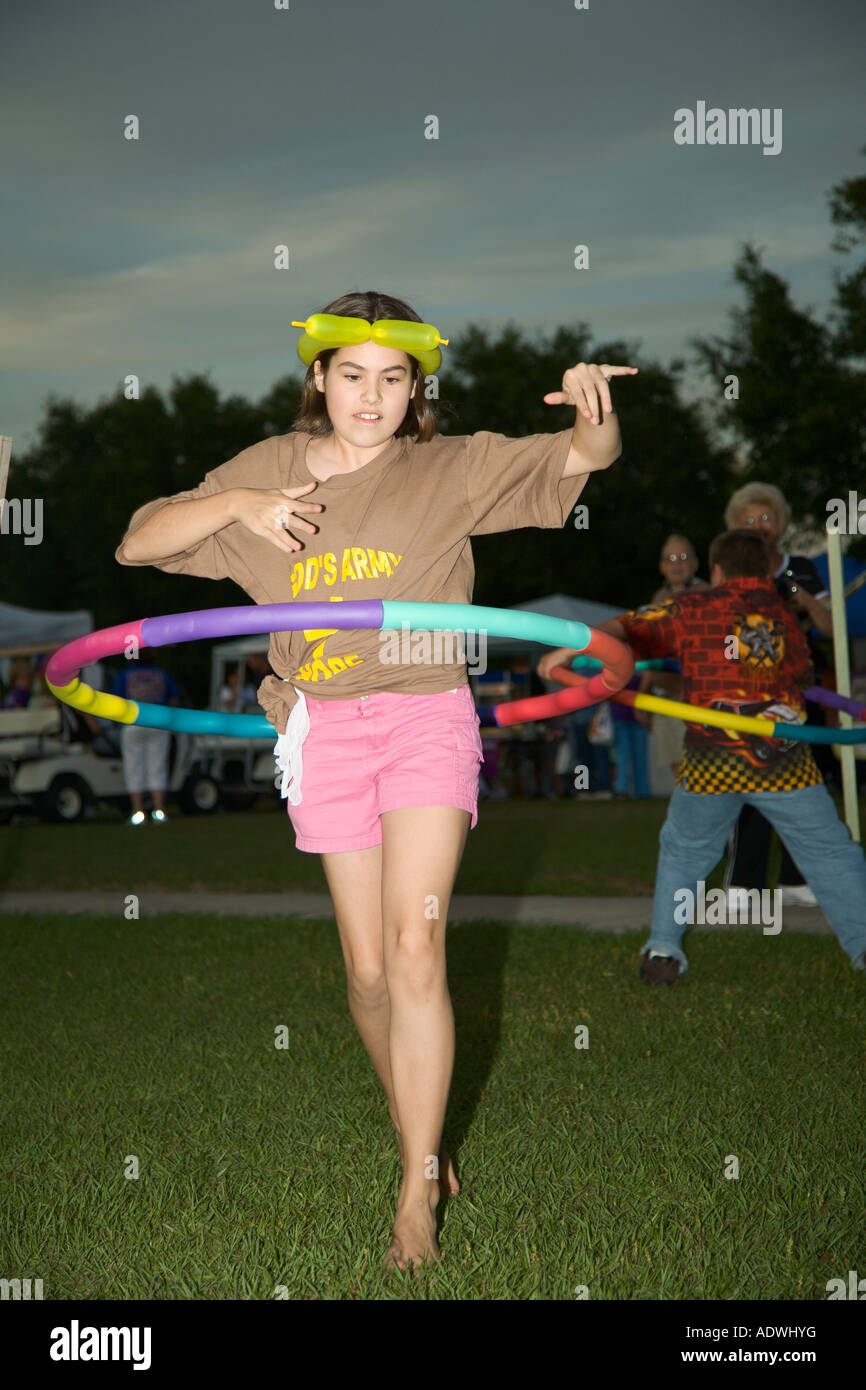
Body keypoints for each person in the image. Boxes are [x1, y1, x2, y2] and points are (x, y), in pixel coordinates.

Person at [115, 288, 638, 1271]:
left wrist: (591, 412)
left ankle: (414, 1194)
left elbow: (581, 459)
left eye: (391, 378)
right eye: (349, 374)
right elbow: (138, 539)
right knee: (364, 974)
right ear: (316, 378)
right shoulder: (268, 472)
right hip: (319, 725)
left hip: (422, 711)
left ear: (415, 386)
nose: (370, 396)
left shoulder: (449, 467)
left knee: (414, 946)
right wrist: (236, 507)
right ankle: (422, 1141)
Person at [539, 529, 866, 983]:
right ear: (765, 568)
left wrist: (566, 652)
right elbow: (803, 678)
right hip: (784, 761)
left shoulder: (693, 608)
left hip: (713, 760)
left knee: (685, 850)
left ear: (715, 570)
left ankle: (663, 949)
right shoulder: (786, 614)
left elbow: (626, 628)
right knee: (832, 853)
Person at [723, 484, 833, 908]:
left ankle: (793, 878)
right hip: (750, 690)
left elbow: (828, 627)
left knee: (804, 782)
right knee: (752, 778)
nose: (758, 527)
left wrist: (800, 597)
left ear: (781, 524)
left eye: (764, 518)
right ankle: (742, 884)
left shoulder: (802, 567)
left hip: (802, 690)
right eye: (748, 521)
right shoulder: (734, 568)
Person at [643, 534, 710, 778]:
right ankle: (689, 813)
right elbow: (652, 650)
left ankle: (711, 814)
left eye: (682, 557)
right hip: (666, 696)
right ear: (662, 566)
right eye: (670, 558)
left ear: (694, 563)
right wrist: (644, 692)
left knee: (703, 767)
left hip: (698, 696)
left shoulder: (706, 593)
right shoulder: (658, 598)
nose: (676, 563)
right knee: (678, 766)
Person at [110, 650, 181, 825]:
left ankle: (138, 812)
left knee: (134, 766)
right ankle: (159, 810)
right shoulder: (162, 674)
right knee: (157, 766)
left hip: (133, 723)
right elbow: (174, 699)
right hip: (158, 722)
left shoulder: (125, 675)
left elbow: (115, 699)